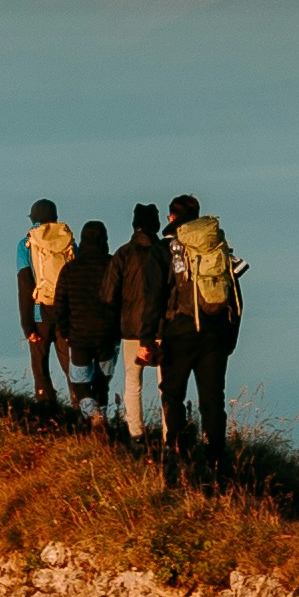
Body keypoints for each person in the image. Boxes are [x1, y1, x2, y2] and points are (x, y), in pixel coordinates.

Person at [168, 190, 244, 475]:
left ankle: (177, 453)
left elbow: (162, 293)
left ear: (173, 217)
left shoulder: (173, 247)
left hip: (181, 332)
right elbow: (235, 296)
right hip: (216, 334)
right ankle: (216, 457)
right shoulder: (218, 247)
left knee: (173, 393)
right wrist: (230, 338)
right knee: (213, 398)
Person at [109, 199, 181, 480]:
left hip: (131, 329)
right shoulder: (166, 253)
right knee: (167, 385)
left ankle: (136, 433)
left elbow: (107, 293)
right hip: (165, 328)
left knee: (132, 381)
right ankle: (168, 436)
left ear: (134, 224)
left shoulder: (123, 254)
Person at [50, 217, 120, 424]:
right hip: (108, 336)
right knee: (102, 382)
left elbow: (60, 304)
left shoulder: (70, 269)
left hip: (78, 336)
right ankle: (101, 422)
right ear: (105, 240)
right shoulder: (113, 265)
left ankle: (92, 414)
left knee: (80, 382)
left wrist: (65, 332)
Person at [16, 197, 69, 401]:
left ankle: (46, 410)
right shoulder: (67, 240)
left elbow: (25, 285)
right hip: (66, 313)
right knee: (72, 367)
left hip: (40, 313)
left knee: (40, 367)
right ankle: (81, 409)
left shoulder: (26, 244)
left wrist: (27, 326)